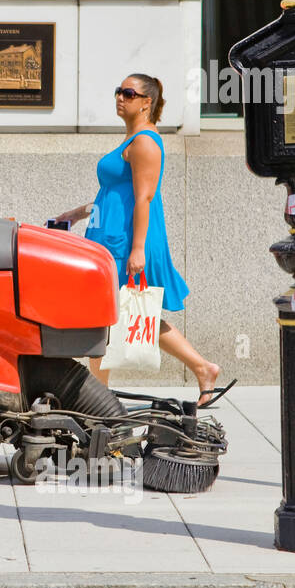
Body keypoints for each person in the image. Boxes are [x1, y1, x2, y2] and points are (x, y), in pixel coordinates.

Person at [54, 73, 225, 406]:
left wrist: (136, 250)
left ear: (147, 102)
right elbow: (114, 194)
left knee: (107, 317)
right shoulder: (130, 141)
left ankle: (96, 398)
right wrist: (77, 213)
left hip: (129, 242)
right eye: (118, 91)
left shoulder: (144, 142)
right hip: (111, 239)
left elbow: (144, 198)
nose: (120, 97)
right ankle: (203, 368)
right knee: (133, 314)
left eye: (129, 93)